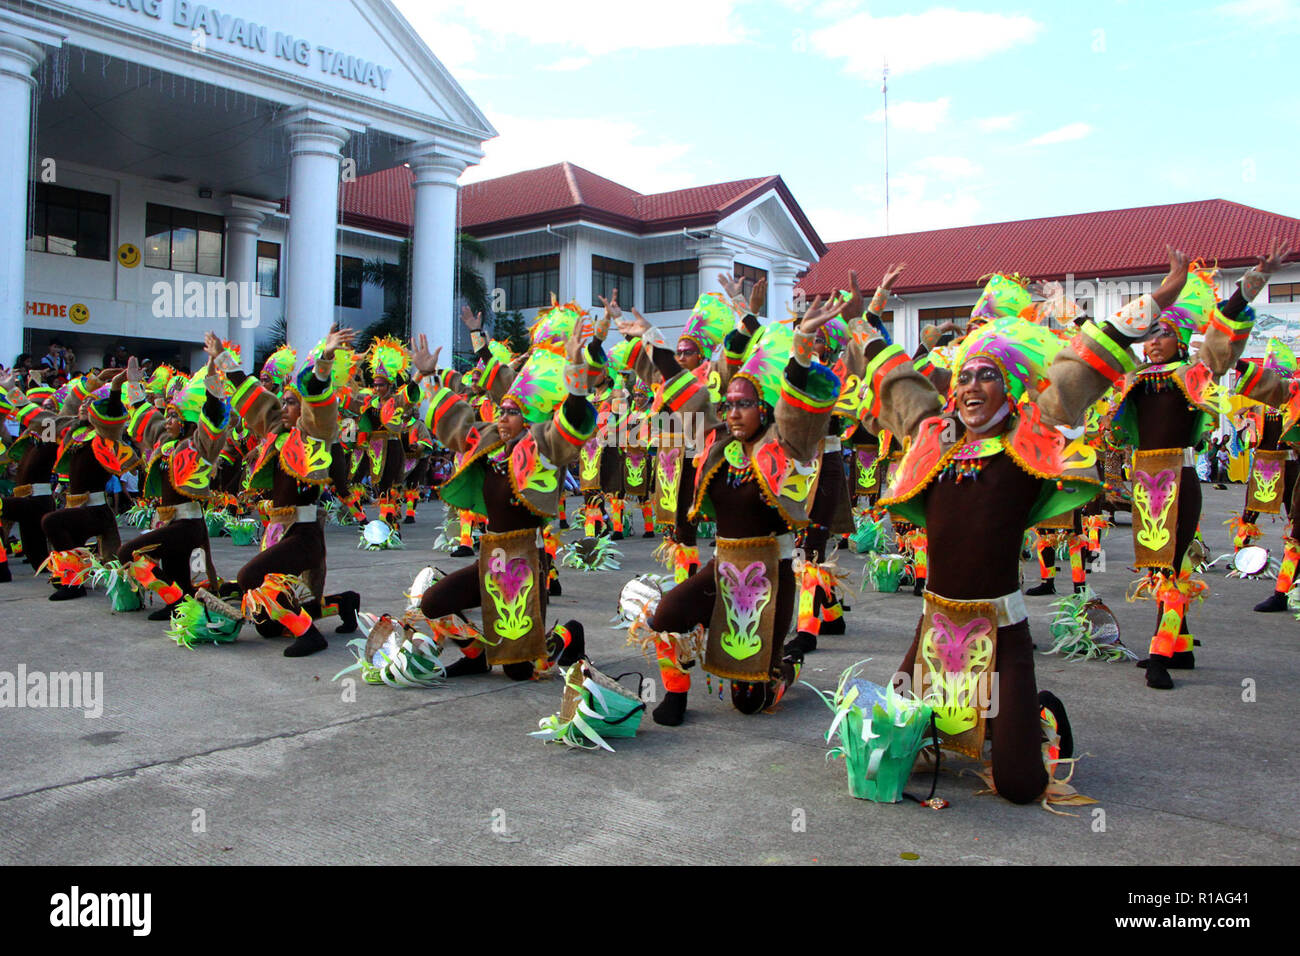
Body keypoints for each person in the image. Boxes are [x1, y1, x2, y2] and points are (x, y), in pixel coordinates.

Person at [855, 248, 1194, 804]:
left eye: (984, 377)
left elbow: (1084, 363)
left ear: (1011, 388)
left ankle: (1034, 713)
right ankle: (958, 718)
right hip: (932, 630)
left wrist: (1156, 298)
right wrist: (865, 317)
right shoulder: (933, 437)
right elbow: (897, 380)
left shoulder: (1027, 438)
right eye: (961, 377)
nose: (967, 387)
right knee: (881, 759)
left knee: (1018, 785)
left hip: (1003, 630)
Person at [624, 294, 842, 726]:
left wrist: (801, 342)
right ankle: (677, 694)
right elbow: (688, 396)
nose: (734, 411)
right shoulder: (719, 443)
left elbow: (800, 407)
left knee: (750, 701)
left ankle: (790, 660)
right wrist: (652, 339)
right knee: (666, 614)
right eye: (730, 403)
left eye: (745, 403)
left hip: (771, 576)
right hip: (723, 565)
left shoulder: (787, 444)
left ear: (765, 408)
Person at [1107, 239, 1285, 689]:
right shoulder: (1134, 378)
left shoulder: (1195, 372)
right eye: (1151, 334)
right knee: (1161, 564)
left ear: (1181, 338)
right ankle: (1181, 645)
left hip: (1179, 478)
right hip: (1146, 480)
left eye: (1163, 333)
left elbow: (1225, 337)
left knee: (1170, 567)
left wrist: (1249, 287)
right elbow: (1107, 344)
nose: (1153, 342)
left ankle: (1158, 655)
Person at [409, 306, 598, 679]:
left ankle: (568, 635)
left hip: (527, 561)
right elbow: (451, 419)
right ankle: (477, 653)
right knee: (432, 604)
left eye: (512, 412)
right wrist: (429, 376)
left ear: (530, 418)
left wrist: (576, 379)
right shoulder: (489, 440)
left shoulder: (544, 448)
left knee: (520, 670)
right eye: (502, 408)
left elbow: (573, 422)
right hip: (489, 557)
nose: (502, 416)